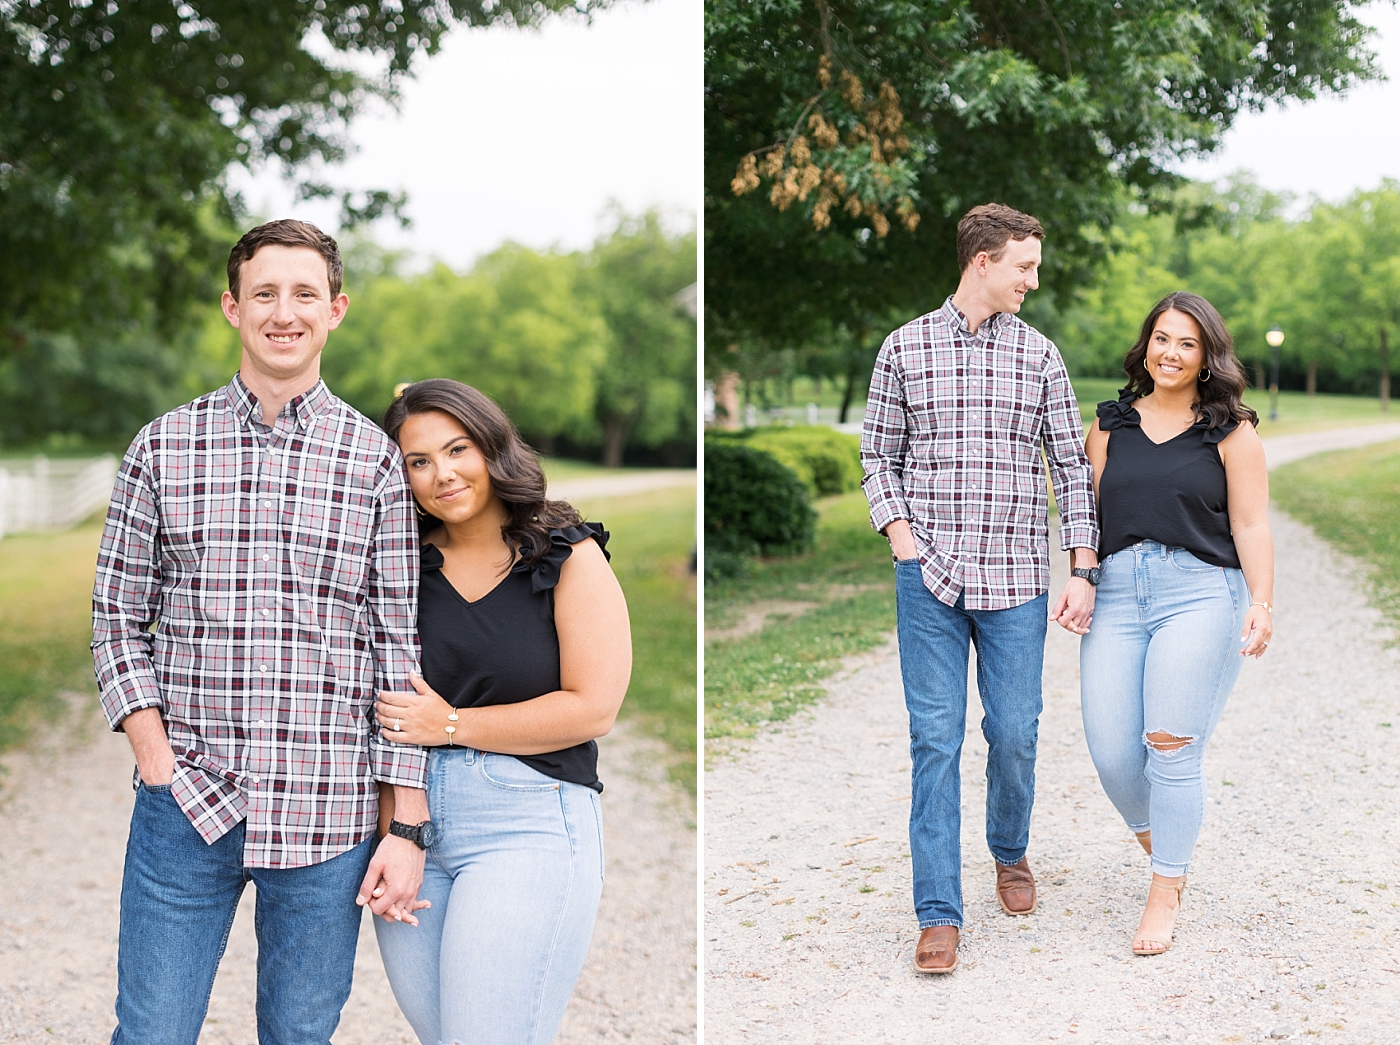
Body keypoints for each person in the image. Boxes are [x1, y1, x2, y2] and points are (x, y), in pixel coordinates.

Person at [91, 219, 431, 1044]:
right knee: (151, 1032)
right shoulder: (163, 446)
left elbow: (396, 650)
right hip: (188, 804)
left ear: (335, 310)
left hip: (328, 812)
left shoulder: (375, 461)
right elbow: (116, 617)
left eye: (305, 293)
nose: (285, 312)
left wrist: (406, 824)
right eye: (265, 293)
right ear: (232, 307)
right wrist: (156, 757)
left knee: (298, 1035)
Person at [860, 203, 1101, 975]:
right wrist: (902, 539)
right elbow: (878, 457)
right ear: (983, 261)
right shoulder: (903, 348)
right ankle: (938, 912)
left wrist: (1082, 567)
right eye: (1025, 266)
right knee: (935, 737)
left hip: (1017, 577)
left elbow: (1070, 466)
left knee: (1014, 730)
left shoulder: (1041, 356)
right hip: (927, 576)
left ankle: (1009, 847)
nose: (1034, 280)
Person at [371, 378, 631, 1045]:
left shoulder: (565, 552)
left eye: (457, 448)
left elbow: (594, 707)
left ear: (492, 447)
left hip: (527, 822)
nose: (442, 473)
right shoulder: (397, 567)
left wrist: (451, 725)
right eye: (418, 460)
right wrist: (397, 830)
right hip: (413, 828)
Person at [1078, 291, 1273, 955]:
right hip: (1116, 595)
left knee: (1170, 746)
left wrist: (1261, 600)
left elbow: (1251, 523)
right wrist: (1081, 577)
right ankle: (1167, 844)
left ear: (1206, 357)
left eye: (1187, 343)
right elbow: (1085, 514)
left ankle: (1165, 888)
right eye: (1162, 338)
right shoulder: (1110, 424)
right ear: (1146, 345)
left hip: (1198, 594)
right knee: (1111, 752)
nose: (1171, 352)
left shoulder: (1232, 432)